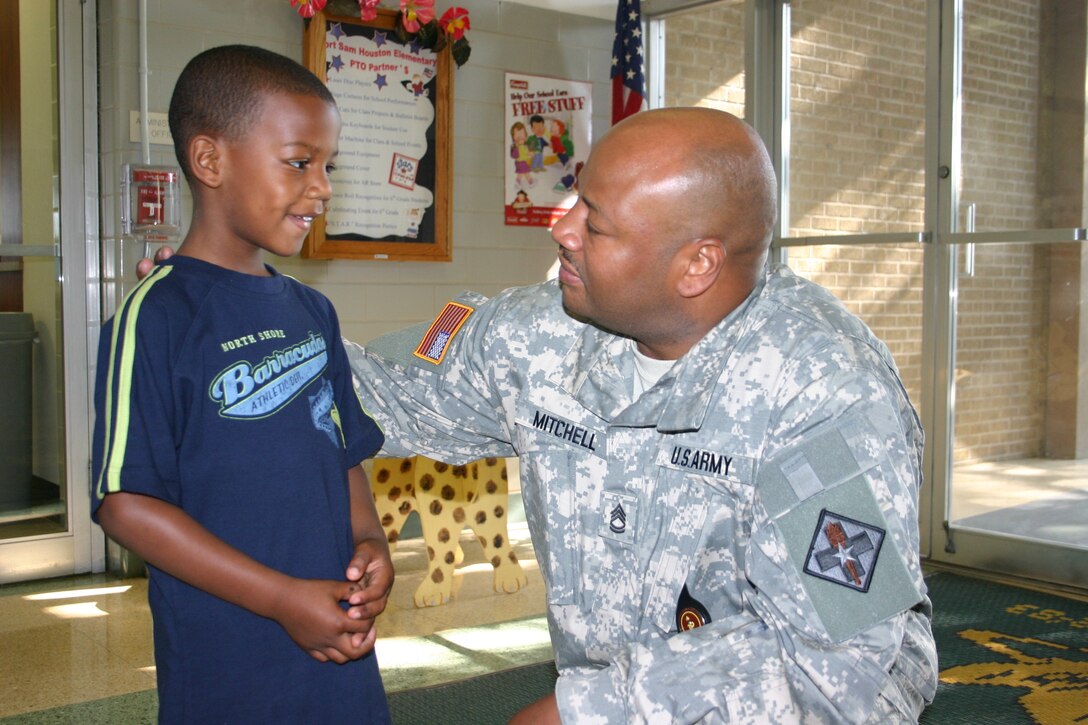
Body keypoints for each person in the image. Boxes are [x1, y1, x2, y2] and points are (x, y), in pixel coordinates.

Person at [142, 107, 938, 723]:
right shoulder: (537, 335)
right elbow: (377, 389)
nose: (561, 228)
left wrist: (594, 711)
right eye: (576, 197)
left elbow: (846, 666)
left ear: (697, 263)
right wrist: (223, 316)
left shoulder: (822, 391)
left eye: (596, 221)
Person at [96, 45, 392, 724]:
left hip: (336, 645)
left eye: (328, 166)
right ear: (210, 160)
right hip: (228, 661)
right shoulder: (156, 316)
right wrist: (281, 597)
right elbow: (124, 503)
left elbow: (342, 449)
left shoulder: (312, 310)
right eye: (299, 162)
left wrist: (371, 540)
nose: (322, 187)